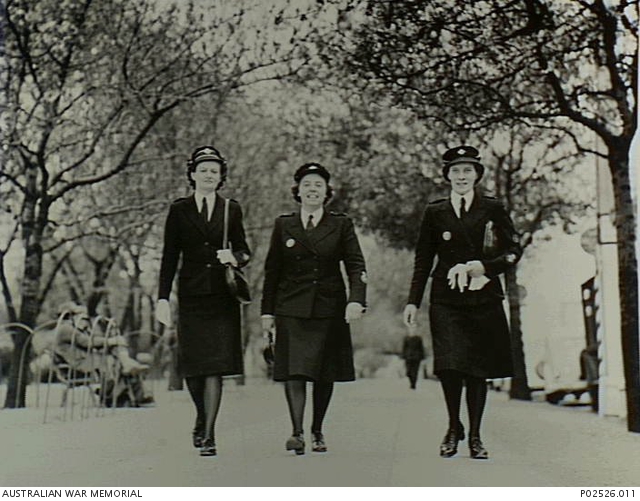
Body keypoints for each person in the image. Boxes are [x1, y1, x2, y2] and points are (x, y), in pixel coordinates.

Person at [403, 146, 522, 460]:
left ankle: (476, 436)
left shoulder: (493, 207)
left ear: (477, 175)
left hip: (483, 297)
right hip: (446, 298)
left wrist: (485, 267)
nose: (461, 176)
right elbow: (423, 260)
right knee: (451, 366)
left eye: (467, 170)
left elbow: (512, 250)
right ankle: (454, 427)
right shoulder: (435, 211)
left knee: (477, 369)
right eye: (455, 171)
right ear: (447, 176)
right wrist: (412, 301)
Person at [261, 162, 367, 455]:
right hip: (291, 308)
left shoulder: (341, 224)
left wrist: (356, 299)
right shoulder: (284, 224)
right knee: (295, 371)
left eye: (318, 185)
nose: (312, 190)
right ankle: (296, 432)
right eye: (307, 185)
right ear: (298, 191)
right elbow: (272, 271)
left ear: (326, 192)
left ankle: (317, 429)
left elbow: (356, 265)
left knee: (324, 372)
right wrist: (267, 313)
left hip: (328, 308)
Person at [156, 145, 250, 457]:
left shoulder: (231, 209)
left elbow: (245, 250)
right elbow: (170, 256)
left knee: (215, 367)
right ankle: (201, 417)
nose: (209, 175)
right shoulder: (179, 209)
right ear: (193, 174)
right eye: (204, 170)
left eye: (215, 170)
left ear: (221, 176)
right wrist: (162, 297)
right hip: (192, 296)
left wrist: (234, 257)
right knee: (194, 368)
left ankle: (209, 434)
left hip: (222, 298)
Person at [54, 302, 154, 406]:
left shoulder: (72, 329)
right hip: (77, 365)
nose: (83, 319)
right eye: (79, 315)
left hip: (85, 361)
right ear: (70, 316)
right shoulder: (65, 328)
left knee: (116, 358)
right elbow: (88, 342)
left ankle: (129, 388)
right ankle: (121, 394)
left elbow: (91, 341)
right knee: (113, 362)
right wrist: (110, 341)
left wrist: (111, 341)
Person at [401, 324, 425, 390]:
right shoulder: (406, 338)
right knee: (408, 371)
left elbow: (421, 348)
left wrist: (422, 356)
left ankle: (413, 384)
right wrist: (403, 355)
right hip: (408, 357)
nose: (412, 331)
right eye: (411, 329)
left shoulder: (418, 338)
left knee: (415, 371)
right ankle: (411, 381)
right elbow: (404, 348)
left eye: (414, 329)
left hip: (417, 357)